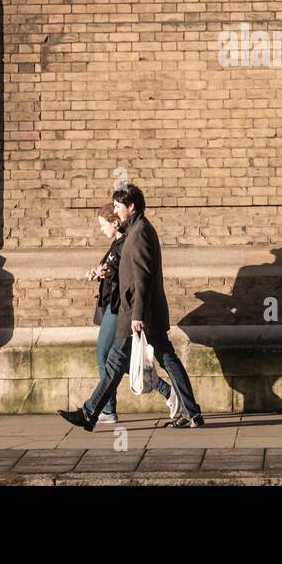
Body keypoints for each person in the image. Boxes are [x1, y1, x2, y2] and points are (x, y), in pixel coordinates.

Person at [60, 183, 205, 430]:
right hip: (143, 313)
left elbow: (142, 279)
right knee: (165, 360)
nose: (116, 211)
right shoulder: (137, 230)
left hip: (137, 314)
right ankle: (192, 413)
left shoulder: (139, 234)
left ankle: (90, 413)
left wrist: (137, 315)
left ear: (131, 206)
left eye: (118, 206)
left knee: (117, 361)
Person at [86, 203, 178, 424]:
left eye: (103, 225)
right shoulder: (116, 244)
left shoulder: (127, 242)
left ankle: (107, 410)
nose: (101, 229)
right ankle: (166, 391)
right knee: (118, 361)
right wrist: (98, 272)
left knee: (105, 357)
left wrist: (110, 272)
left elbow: (132, 276)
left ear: (115, 223)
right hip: (111, 306)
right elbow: (111, 269)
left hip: (120, 309)